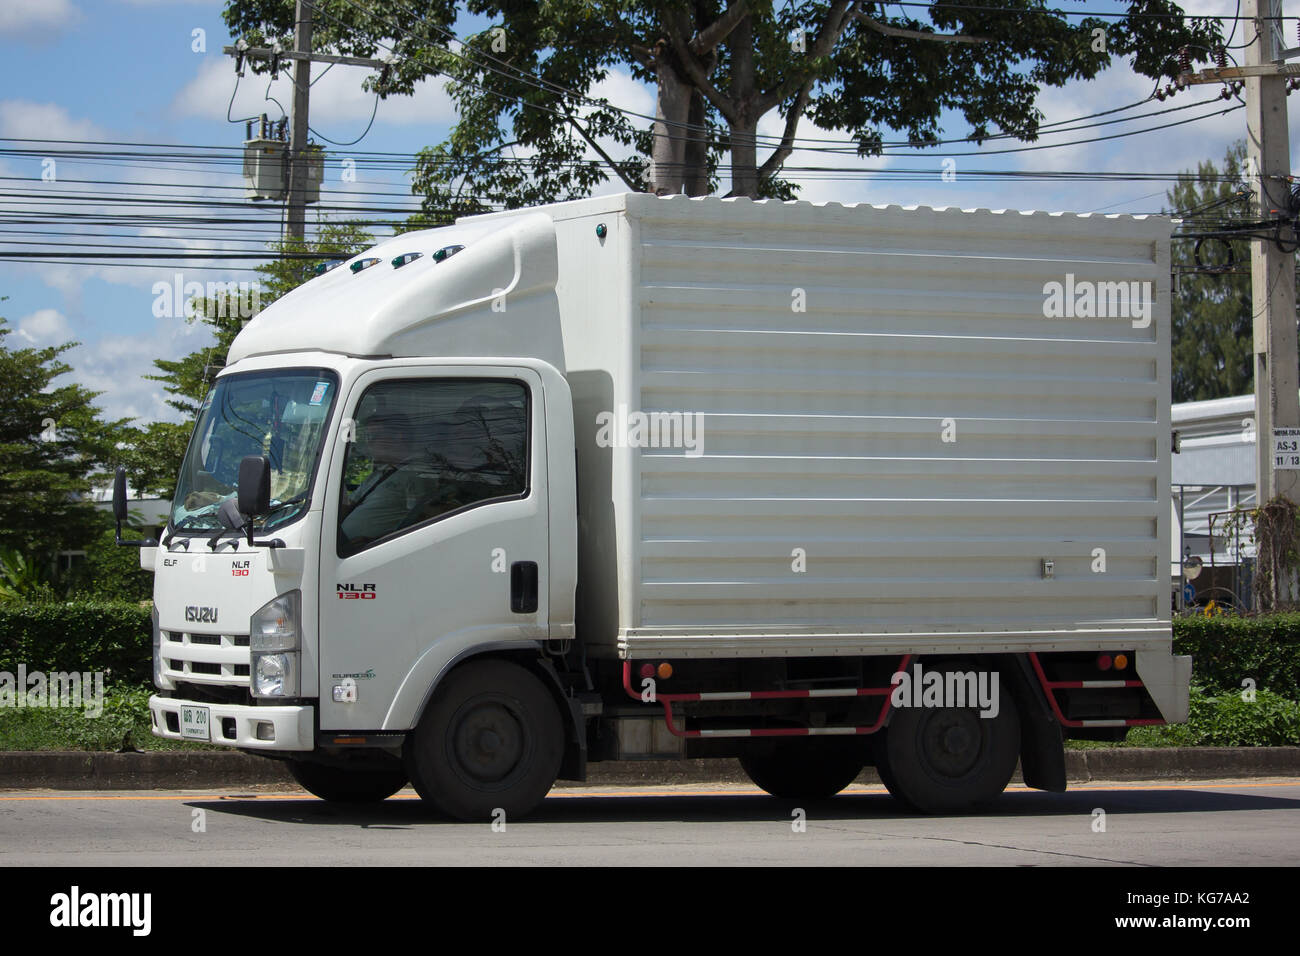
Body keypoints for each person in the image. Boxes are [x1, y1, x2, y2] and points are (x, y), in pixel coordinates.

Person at [339, 411, 435, 548]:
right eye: (367, 437)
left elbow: (420, 522)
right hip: (344, 546)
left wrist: (375, 540)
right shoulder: (381, 472)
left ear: (398, 436)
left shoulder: (418, 473)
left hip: (374, 550)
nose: (369, 443)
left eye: (373, 436)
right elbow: (349, 505)